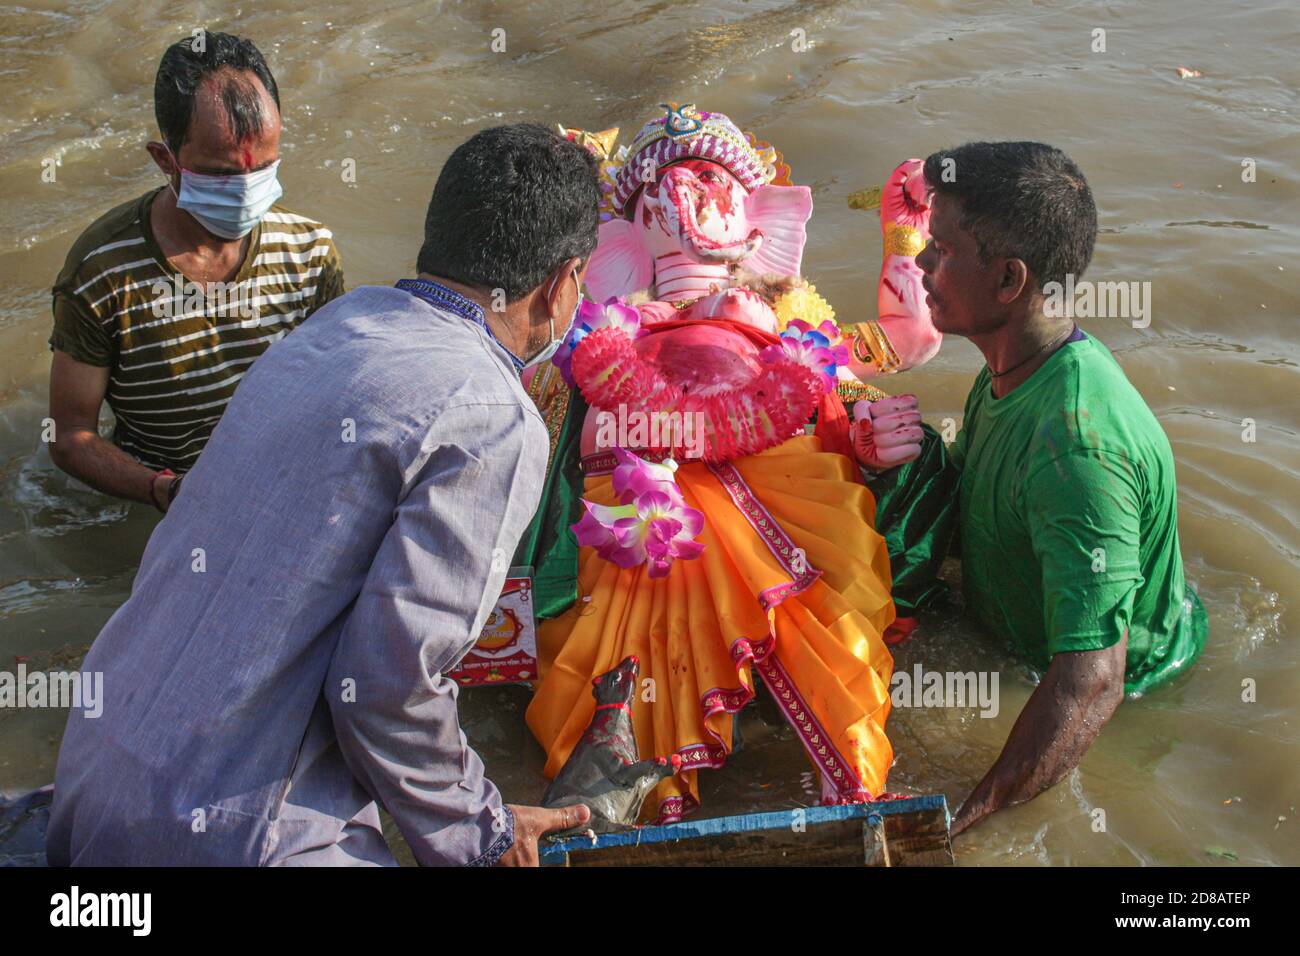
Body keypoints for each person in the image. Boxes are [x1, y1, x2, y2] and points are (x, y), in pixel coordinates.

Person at [47, 123, 598, 866]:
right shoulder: (494, 415)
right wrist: (483, 833)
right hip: (222, 829)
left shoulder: (334, 327)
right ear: (563, 283)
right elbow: (384, 686)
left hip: (94, 770)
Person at [913, 141, 1208, 835]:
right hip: (1023, 615)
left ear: (1010, 280)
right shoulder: (1016, 364)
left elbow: (1093, 680)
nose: (922, 266)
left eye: (942, 251)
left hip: (1128, 685)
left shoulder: (1076, 448)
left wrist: (962, 824)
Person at [47, 31, 344, 512]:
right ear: (165, 160)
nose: (247, 191)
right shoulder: (104, 273)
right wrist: (165, 490)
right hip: (162, 497)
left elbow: (333, 390)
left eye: (263, 168)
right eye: (223, 174)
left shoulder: (309, 253)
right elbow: (69, 437)